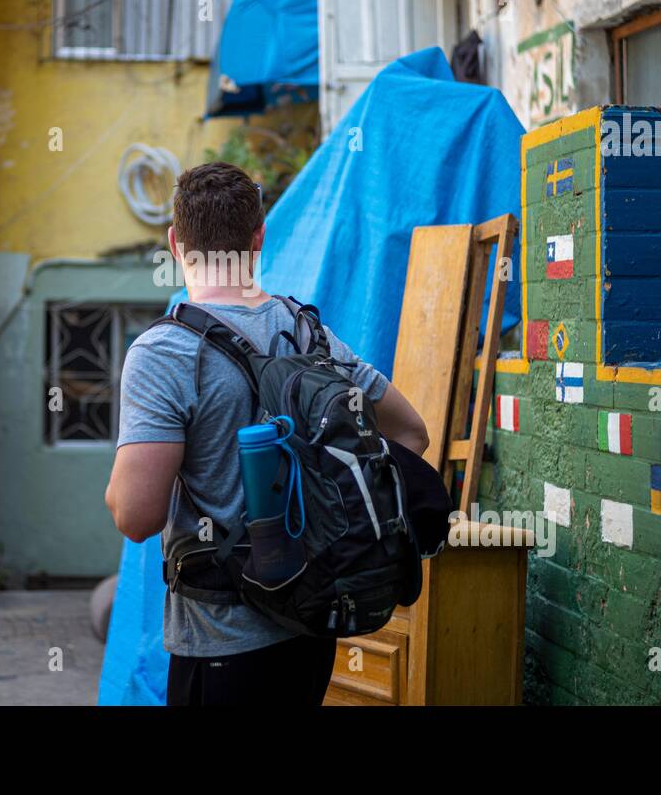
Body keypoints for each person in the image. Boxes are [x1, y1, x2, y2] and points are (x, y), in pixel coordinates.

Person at [105, 163, 429, 706]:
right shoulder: (308, 332)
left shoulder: (165, 352)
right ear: (259, 238)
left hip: (221, 641)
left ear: (174, 242)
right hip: (310, 627)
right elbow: (411, 433)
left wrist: (117, 485)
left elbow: (136, 517)